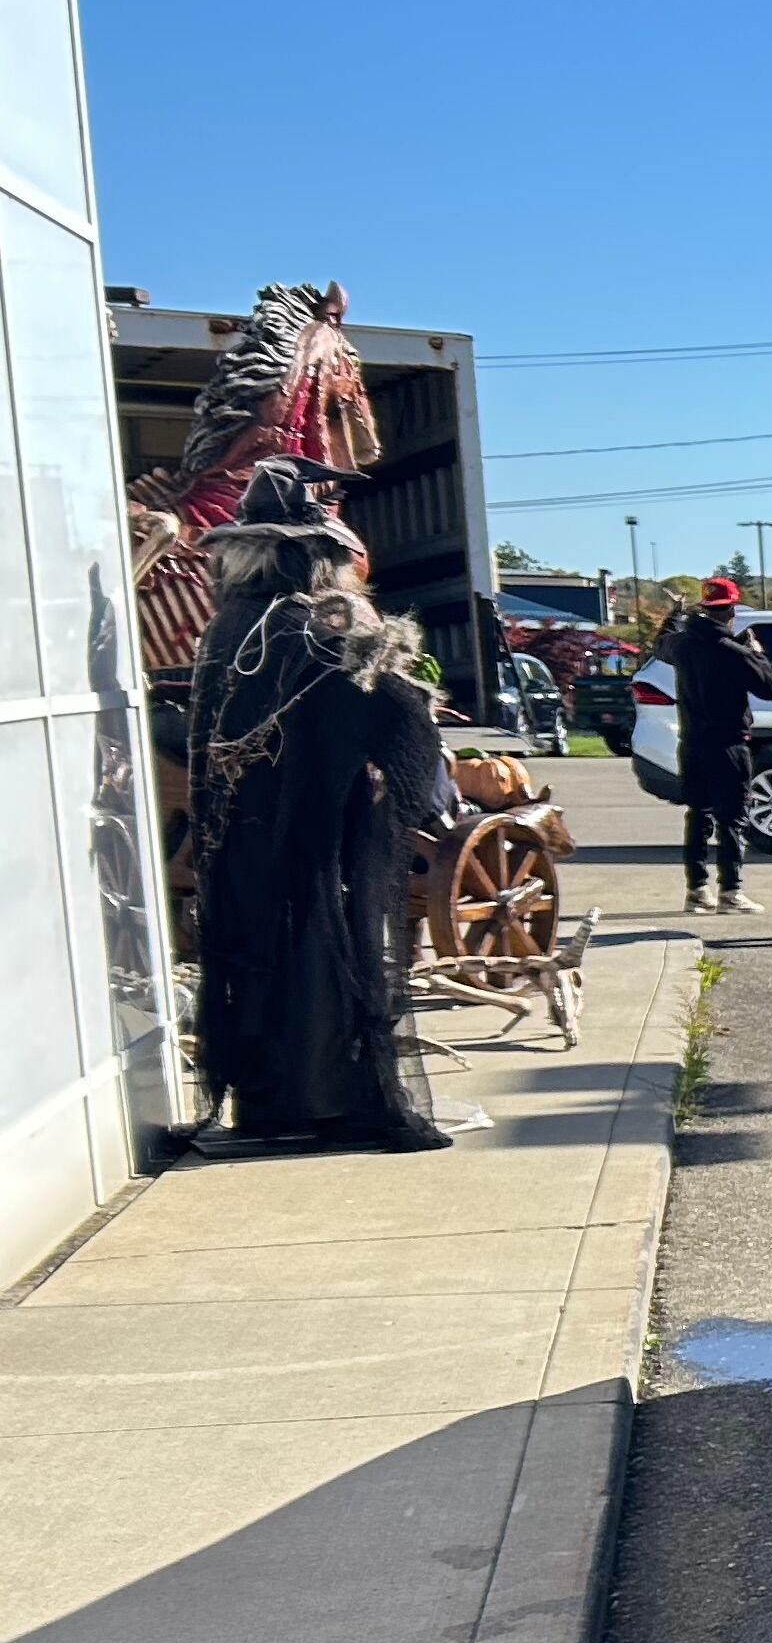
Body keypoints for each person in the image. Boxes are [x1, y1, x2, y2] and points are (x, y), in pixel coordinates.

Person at [183, 459, 455, 1150]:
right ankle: (337, 1104)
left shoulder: (229, 625)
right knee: (322, 955)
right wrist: (411, 780)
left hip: (235, 828)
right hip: (306, 830)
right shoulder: (313, 625)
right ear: (312, 555)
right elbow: (398, 714)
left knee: (259, 955)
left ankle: (279, 1103)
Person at [654, 576, 772, 913]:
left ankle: (696, 889)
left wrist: (674, 615)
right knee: (732, 818)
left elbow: (660, 643)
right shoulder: (734, 652)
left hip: (692, 742)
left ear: (704, 608)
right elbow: (769, 688)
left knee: (698, 815)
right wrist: (758, 654)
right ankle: (730, 891)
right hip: (729, 743)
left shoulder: (683, 645)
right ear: (731, 611)